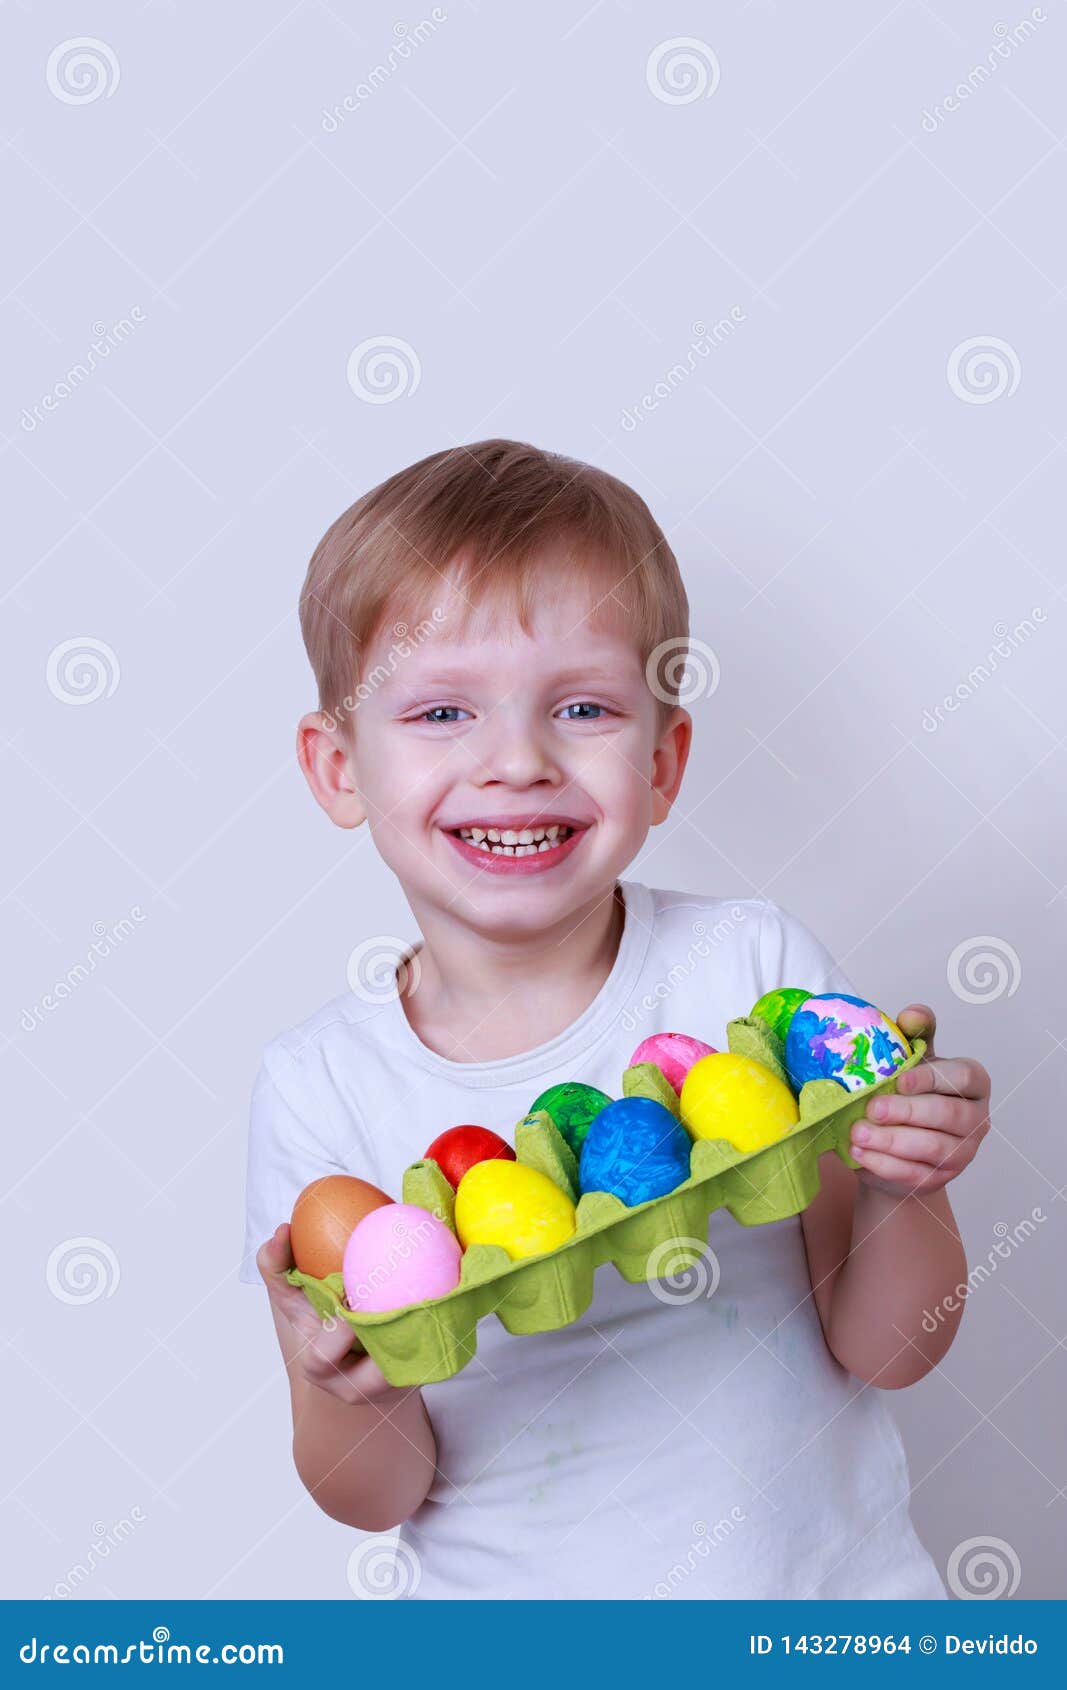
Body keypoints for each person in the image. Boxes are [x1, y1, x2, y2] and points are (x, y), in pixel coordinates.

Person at [240, 438, 992, 1599]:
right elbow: (372, 1494)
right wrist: (352, 1385)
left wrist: (905, 1183)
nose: (516, 761)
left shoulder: (752, 971)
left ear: (662, 759)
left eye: (581, 707)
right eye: (442, 710)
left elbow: (886, 1347)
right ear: (338, 765)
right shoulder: (321, 1087)